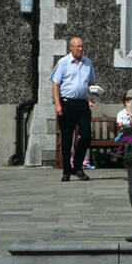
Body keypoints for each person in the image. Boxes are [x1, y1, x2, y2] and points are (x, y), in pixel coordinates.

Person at [51, 36, 96, 181]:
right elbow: (55, 84)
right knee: (67, 138)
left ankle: (77, 167)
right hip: (67, 103)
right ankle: (66, 170)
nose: (80, 49)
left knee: (86, 135)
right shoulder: (63, 63)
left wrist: (92, 95)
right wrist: (58, 104)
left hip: (82, 104)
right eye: (77, 46)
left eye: (82, 46)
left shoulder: (87, 63)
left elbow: (89, 83)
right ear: (71, 47)